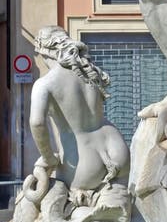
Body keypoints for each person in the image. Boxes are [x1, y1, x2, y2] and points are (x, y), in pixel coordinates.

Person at [26, 27, 129, 204]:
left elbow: (36, 123)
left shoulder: (45, 84)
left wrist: (49, 157)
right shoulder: (89, 72)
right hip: (117, 146)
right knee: (120, 210)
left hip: (82, 160)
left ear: (45, 53)